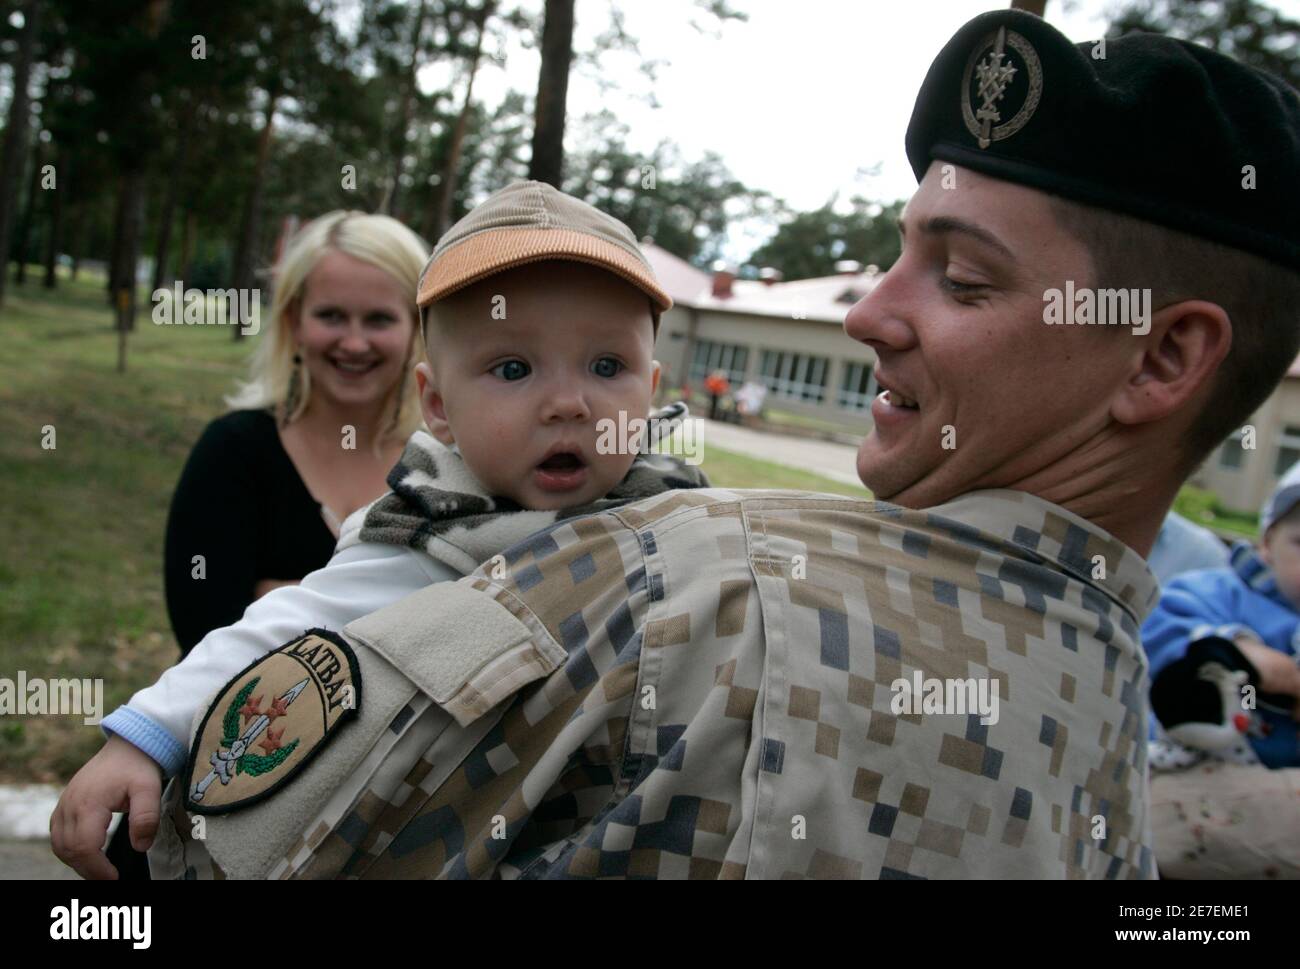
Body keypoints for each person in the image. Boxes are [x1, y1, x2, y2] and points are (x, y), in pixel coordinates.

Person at [70, 8, 1300, 879]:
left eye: (961, 280)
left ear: (1160, 358)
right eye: (897, 251)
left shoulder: (677, 594)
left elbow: (200, 860)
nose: (871, 311)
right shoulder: (1102, 672)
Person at [51, 181, 708, 880]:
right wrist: (149, 734)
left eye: (608, 366)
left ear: (653, 383)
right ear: (438, 405)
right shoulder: (428, 527)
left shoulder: (680, 516)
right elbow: (284, 629)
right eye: (513, 367)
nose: (569, 402)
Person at [104, 210, 429, 880]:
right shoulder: (234, 452)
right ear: (291, 323)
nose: (354, 341)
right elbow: (212, 637)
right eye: (332, 315)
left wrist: (282, 599)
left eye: (380, 319)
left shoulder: (444, 468)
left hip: (397, 813)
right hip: (228, 797)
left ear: (420, 330)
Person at [1141, 463, 1300, 877]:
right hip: (1192, 762)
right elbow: (1162, 629)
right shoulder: (1227, 590)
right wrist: (1235, 644)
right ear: (1266, 544)